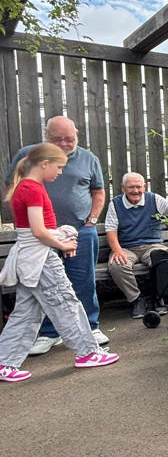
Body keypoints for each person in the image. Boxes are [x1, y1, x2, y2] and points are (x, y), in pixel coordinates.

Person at [0, 143, 119, 383]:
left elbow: (36, 230)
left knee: (26, 312)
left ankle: (5, 363)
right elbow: (38, 231)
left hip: (32, 256)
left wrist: (59, 237)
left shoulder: (25, 186)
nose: (60, 172)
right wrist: (63, 244)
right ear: (44, 163)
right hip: (41, 257)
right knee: (66, 302)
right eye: (59, 166)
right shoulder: (32, 189)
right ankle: (88, 352)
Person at [5, 116, 108, 354]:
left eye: (69, 139)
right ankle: (50, 333)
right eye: (56, 139)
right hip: (41, 236)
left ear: (77, 134)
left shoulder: (89, 158)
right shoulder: (28, 155)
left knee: (83, 281)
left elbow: (98, 191)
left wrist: (91, 221)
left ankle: (91, 326)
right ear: (46, 135)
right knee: (48, 288)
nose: (63, 143)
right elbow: (14, 189)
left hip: (79, 230)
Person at [105, 172, 168, 319]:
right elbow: (111, 229)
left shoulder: (154, 199)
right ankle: (136, 299)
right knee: (117, 265)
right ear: (123, 188)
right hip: (127, 247)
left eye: (138, 187)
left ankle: (160, 297)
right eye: (131, 187)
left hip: (153, 245)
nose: (135, 191)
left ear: (144, 186)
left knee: (163, 259)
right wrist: (117, 250)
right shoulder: (115, 204)